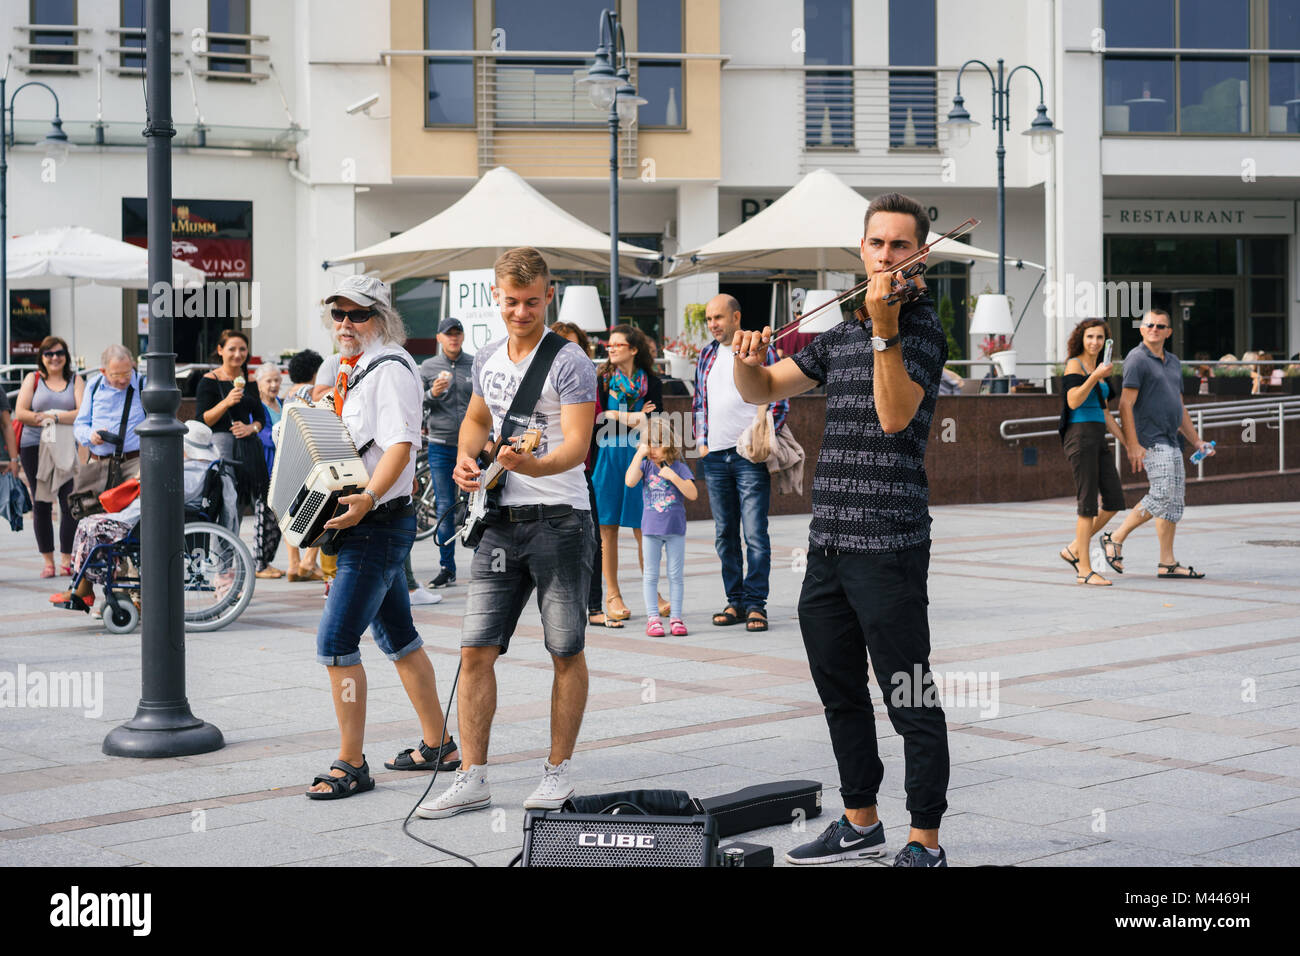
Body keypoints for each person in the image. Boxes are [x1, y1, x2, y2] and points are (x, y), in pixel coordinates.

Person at [729, 192, 950, 867]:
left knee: (909, 694)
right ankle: (860, 820)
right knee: (840, 690)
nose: (887, 255)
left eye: (900, 245)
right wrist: (745, 352)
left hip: (890, 544)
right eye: (877, 244)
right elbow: (762, 389)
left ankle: (925, 840)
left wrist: (884, 327)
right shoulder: (843, 329)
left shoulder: (921, 331)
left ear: (920, 255)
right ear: (863, 250)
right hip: (829, 545)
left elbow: (892, 417)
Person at [419, 247, 596, 819]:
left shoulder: (570, 360)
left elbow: (575, 444)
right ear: (496, 298)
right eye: (511, 301)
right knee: (474, 651)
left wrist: (533, 466)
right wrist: (466, 460)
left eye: (531, 301)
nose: (521, 312)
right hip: (498, 518)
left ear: (550, 295)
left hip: (560, 520)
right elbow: (476, 418)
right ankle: (473, 775)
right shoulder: (490, 355)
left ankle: (558, 770)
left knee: (564, 648)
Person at [305, 274, 460, 800]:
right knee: (398, 636)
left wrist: (367, 498)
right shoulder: (358, 367)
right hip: (365, 517)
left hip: (374, 521)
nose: (346, 323)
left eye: (358, 314)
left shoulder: (390, 368)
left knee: (335, 642)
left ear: (382, 317)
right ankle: (439, 745)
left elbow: (400, 445)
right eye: (338, 314)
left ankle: (351, 763)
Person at [49, 420, 235, 614]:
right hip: (145, 516)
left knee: (90, 527)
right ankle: (82, 588)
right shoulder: (194, 468)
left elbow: (168, 495)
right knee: (88, 524)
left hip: (146, 520)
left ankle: (83, 589)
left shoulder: (192, 472)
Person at [693, 294, 788, 632]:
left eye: (718, 317)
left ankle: (756, 604)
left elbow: (779, 398)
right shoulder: (705, 355)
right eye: (708, 319)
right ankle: (734, 601)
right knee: (724, 534)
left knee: (754, 533)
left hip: (749, 457)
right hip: (715, 456)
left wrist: (760, 438)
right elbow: (699, 403)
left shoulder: (759, 348)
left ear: (736, 318)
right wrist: (702, 444)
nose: (712, 324)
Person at [1101, 308, 1214, 580]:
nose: (1154, 329)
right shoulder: (1137, 359)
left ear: (1169, 332)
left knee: (1174, 502)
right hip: (1150, 440)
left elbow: (1178, 406)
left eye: (1160, 326)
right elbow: (1125, 405)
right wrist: (1132, 444)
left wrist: (1196, 439)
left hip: (1172, 439)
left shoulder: (1173, 362)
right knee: (1162, 493)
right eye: (1149, 325)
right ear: (1141, 329)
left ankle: (1167, 562)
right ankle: (1115, 537)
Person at [590, 324, 664, 622]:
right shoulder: (603, 379)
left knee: (645, 527)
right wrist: (631, 416)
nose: (611, 348)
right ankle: (612, 594)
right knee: (607, 529)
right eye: (610, 344)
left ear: (633, 349)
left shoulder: (652, 381)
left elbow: (656, 421)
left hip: (641, 455)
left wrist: (618, 416)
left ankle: (653, 593)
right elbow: (597, 417)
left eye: (618, 345)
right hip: (607, 455)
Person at [550, 321, 620, 629]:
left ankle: (593, 604)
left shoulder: (589, 377)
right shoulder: (539, 378)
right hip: (543, 471)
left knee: (590, 538)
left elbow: (598, 422)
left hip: (584, 469)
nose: (568, 351)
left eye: (575, 345)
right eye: (562, 344)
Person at [1057, 319, 1126, 587]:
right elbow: (1073, 400)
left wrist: (1128, 442)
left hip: (1098, 435)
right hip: (1079, 435)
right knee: (1087, 504)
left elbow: (1106, 412)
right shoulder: (1075, 364)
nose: (1094, 342)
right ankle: (1084, 570)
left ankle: (1074, 548)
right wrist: (1095, 376)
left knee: (1114, 500)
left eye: (1100, 337)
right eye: (1090, 337)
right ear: (1081, 339)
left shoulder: (1102, 369)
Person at [13, 336, 84, 577]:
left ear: (66, 356)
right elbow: (21, 412)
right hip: (34, 445)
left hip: (64, 446)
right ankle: (48, 562)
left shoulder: (76, 380)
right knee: (41, 502)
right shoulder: (32, 379)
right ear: (41, 357)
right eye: (49, 354)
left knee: (69, 501)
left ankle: (66, 559)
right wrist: (49, 417)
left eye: (59, 353)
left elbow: (82, 412)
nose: (55, 358)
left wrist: (52, 416)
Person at [624, 416, 696, 637]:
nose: (654, 450)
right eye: (650, 444)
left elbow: (692, 494)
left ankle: (676, 617)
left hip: (675, 530)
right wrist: (639, 454)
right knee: (651, 575)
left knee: (675, 575)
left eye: (659, 444)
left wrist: (674, 477)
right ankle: (653, 618)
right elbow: (629, 481)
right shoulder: (645, 466)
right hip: (651, 530)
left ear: (670, 445)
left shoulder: (680, 468)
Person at [418, 316, 474, 589]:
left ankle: (481, 565)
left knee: (476, 506)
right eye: (448, 334)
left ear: (462, 337)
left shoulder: (474, 363)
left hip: (472, 446)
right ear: (439, 338)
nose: (453, 338)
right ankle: (446, 568)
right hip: (441, 444)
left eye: (457, 333)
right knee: (444, 506)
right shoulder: (428, 367)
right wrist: (431, 393)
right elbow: (415, 402)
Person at [195, 330, 268, 533]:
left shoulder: (250, 382)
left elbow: (261, 418)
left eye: (242, 349)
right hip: (222, 447)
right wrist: (226, 402)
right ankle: (223, 557)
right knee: (226, 499)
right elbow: (202, 420)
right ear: (220, 350)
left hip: (247, 447)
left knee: (245, 500)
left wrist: (250, 428)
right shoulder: (209, 381)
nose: (238, 354)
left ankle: (242, 555)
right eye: (232, 349)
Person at [72, 345, 146, 496]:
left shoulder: (143, 384)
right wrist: (91, 435)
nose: (123, 380)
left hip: (135, 463)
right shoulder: (93, 386)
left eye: (127, 373)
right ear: (103, 371)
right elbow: (79, 425)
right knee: (96, 513)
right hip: (100, 464)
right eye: (116, 375)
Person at [283, 349, 325, 583]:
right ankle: (309, 561)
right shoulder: (310, 392)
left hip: (289, 457)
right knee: (319, 507)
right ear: (315, 372)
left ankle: (293, 564)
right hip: (309, 457)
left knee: (291, 510)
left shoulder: (287, 394)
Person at [252, 362, 285, 579]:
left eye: (277, 380)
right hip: (265, 467)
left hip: (283, 467)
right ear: (259, 383)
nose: (273, 385)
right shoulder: (256, 407)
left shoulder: (282, 403)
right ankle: (260, 564)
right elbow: (262, 435)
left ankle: (267, 562)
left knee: (278, 518)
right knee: (264, 516)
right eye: (269, 381)